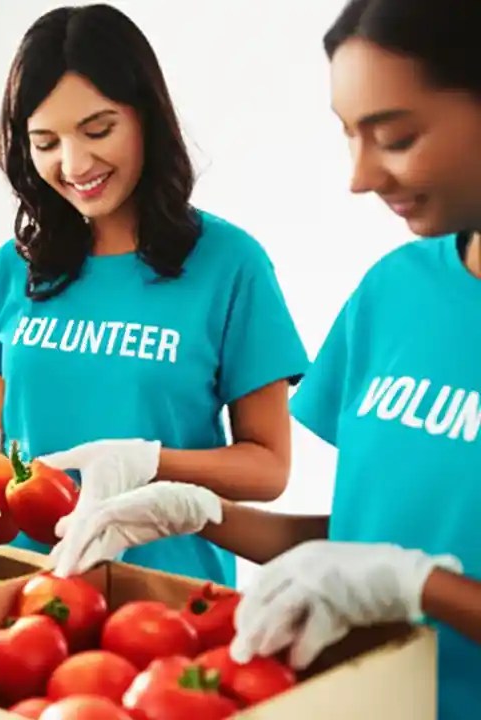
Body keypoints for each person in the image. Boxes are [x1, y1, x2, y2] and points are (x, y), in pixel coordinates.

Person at [47, 1, 481, 716]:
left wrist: (417, 586)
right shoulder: (394, 291)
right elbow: (362, 546)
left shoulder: (229, 266)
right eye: (348, 136)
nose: (360, 176)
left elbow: (394, 571)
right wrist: (197, 512)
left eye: (396, 136)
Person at [0, 4, 309, 587]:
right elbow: (12, 444)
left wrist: (149, 464)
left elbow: (268, 467)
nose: (74, 164)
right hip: (34, 591)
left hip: (170, 596)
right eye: (45, 142)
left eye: (98, 130)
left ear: (147, 118)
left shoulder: (229, 264)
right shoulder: (16, 268)